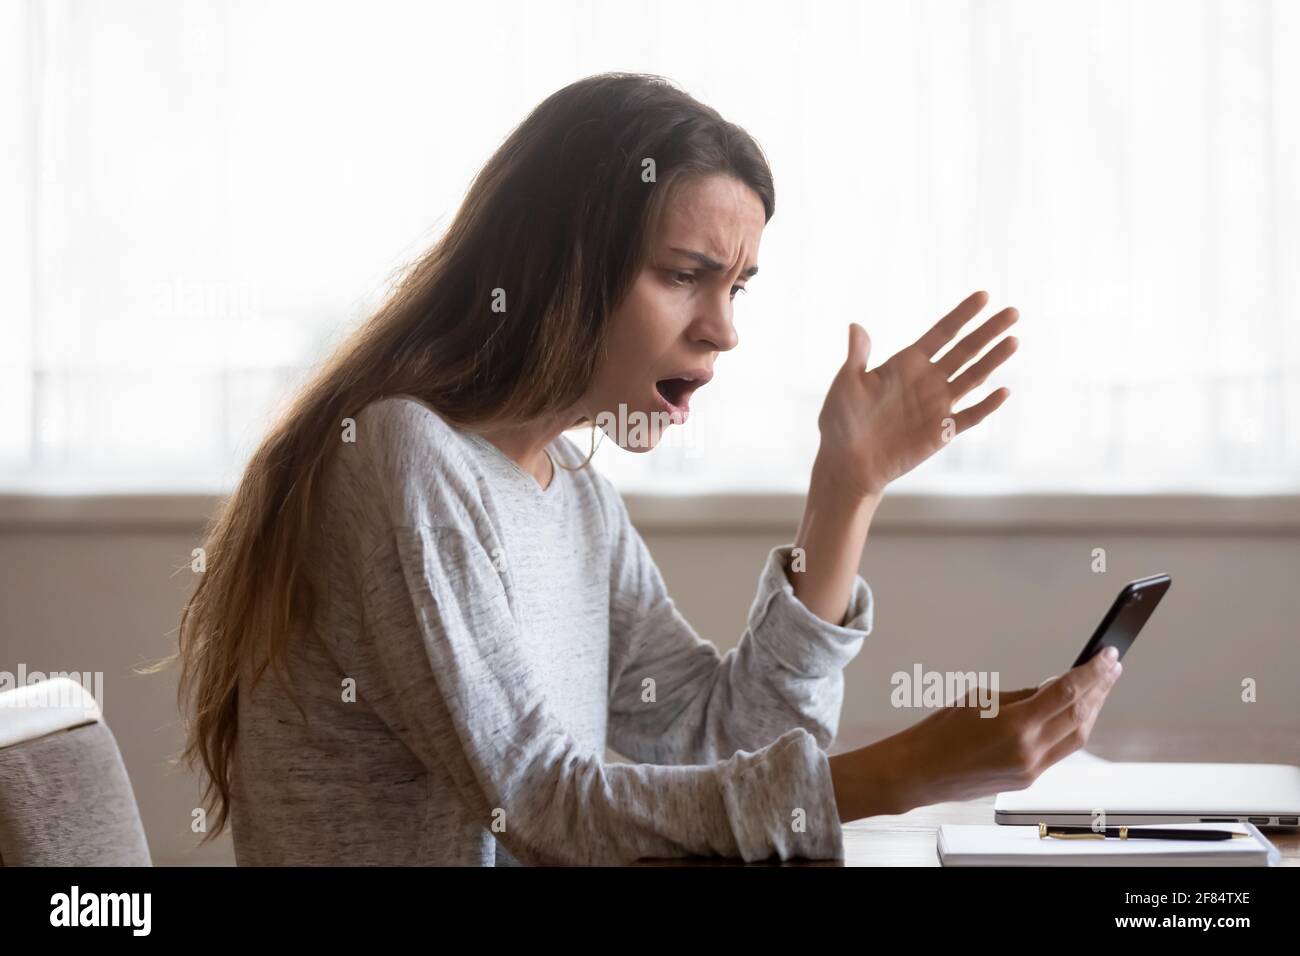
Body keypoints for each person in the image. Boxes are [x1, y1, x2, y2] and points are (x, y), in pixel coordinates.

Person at [167, 72, 1121, 866]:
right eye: (682, 275)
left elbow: (720, 741)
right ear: (560, 268)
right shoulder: (401, 458)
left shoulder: (573, 500)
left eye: (737, 286)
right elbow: (537, 804)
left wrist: (846, 490)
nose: (724, 329)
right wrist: (895, 777)